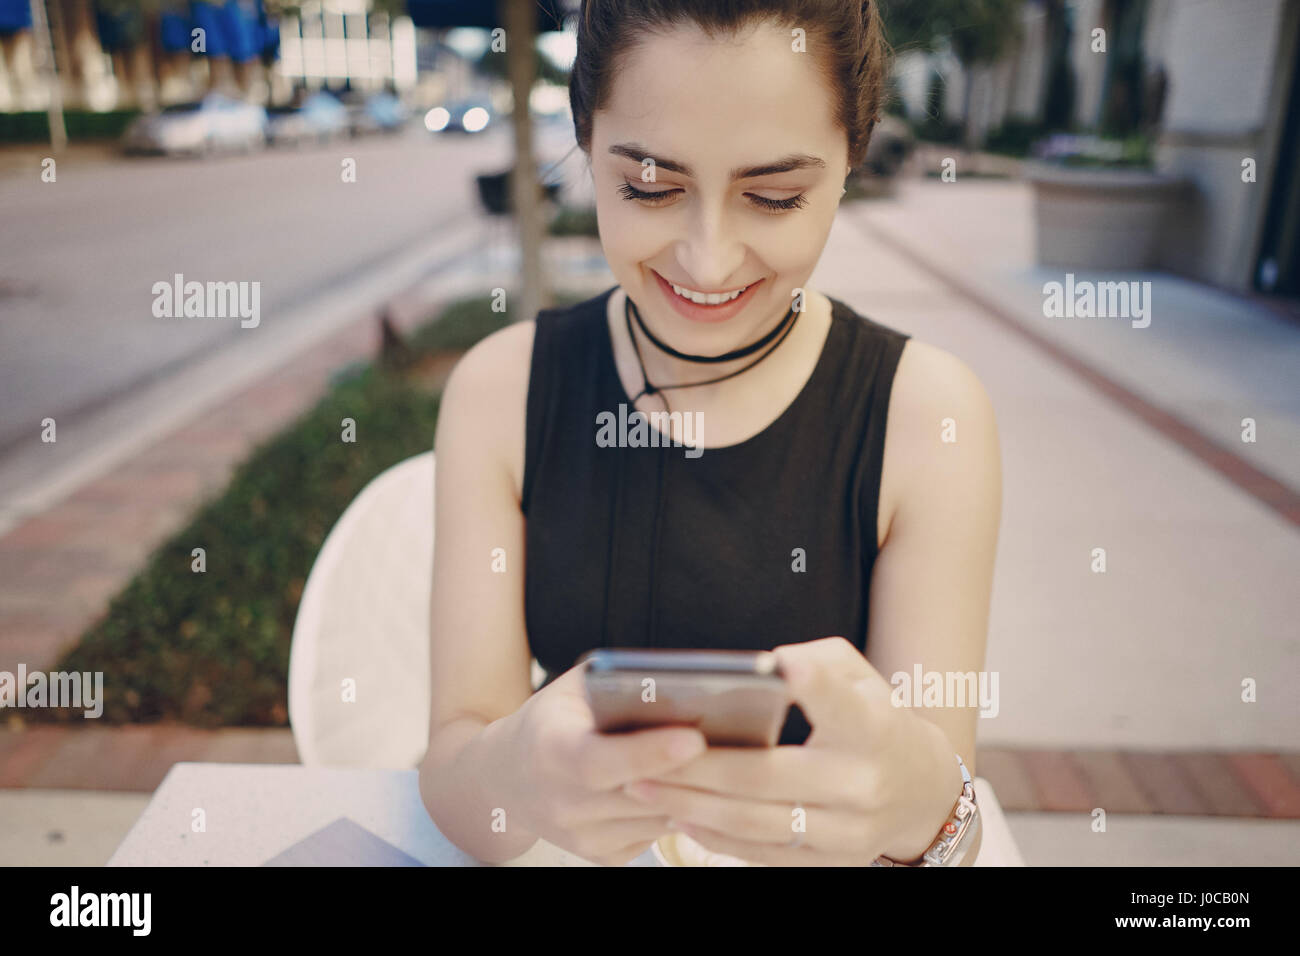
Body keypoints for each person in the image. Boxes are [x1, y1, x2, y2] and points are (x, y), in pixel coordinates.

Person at [418, 0, 1001, 867]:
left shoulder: (928, 417)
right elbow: (456, 768)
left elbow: (943, 803)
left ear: (852, 158)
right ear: (584, 139)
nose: (708, 258)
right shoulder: (502, 392)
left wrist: (921, 806)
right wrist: (514, 777)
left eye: (774, 197)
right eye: (650, 188)